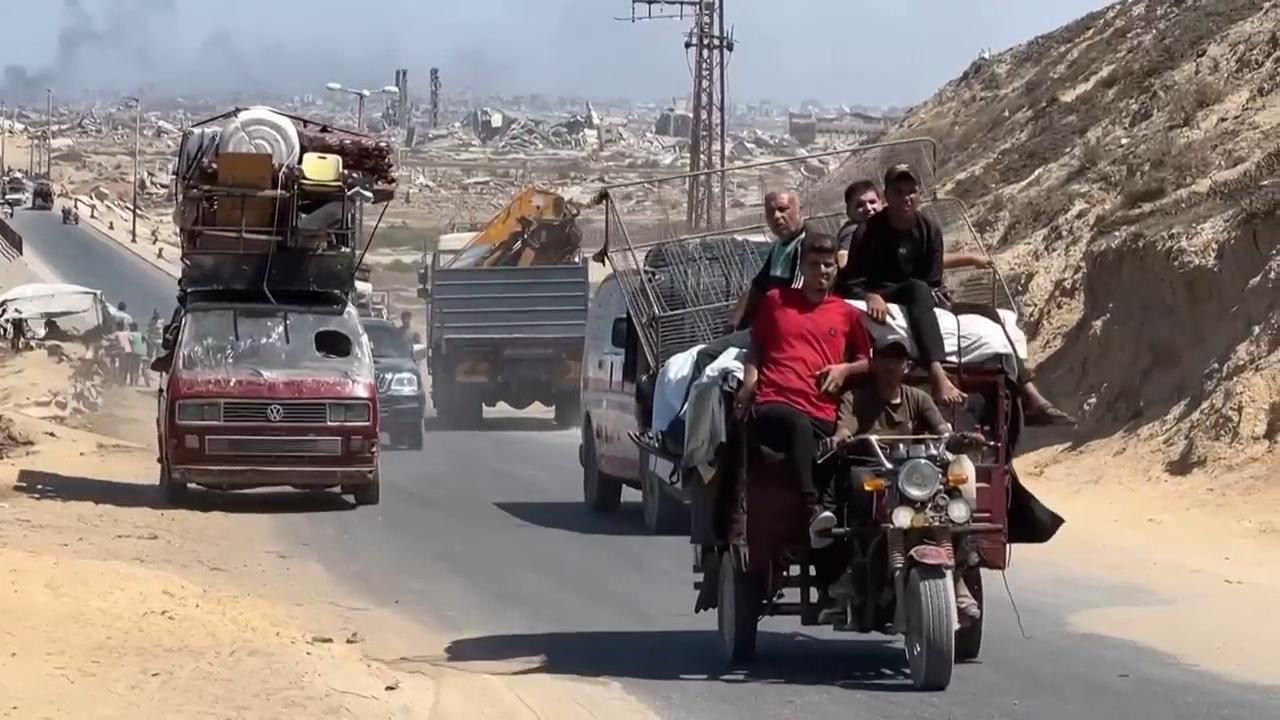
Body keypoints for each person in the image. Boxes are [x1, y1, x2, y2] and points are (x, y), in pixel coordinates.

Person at [734, 232, 872, 548]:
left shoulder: (847, 313)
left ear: (836, 268)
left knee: (846, 461)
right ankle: (812, 508)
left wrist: (844, 369)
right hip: (773, 405)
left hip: (821, 413)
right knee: (795, 423)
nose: (822, 271)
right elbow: (755, 347)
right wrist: (748, 384)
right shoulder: (775, 302)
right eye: (814, 265)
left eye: (828, 265)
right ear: (803, 267)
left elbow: (867, 363)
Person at [831, 337, 982, 621]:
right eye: (885, 358)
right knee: (859, 485)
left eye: (898, 359)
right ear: (873, 363)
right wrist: (841, 438)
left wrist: (961, 439)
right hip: (875, 466)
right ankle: (858, 563)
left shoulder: (918, 398)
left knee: (955, 502)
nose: (891, 365)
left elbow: (942, 430)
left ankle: (959, 575)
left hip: (914, 470)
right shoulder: (856, 397)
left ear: (906, 366)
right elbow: (846, 426)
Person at [728, 191, 837, 331]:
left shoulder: (808, 245)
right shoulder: (779, 246)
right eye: (770, 212)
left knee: (705, 353)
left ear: (800, 212)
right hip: (771, 323)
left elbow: (798, 294)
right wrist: (736, 319)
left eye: (782, 209)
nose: (776, 216)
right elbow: (758, 286)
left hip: (792, 328)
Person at [836, 180, 885, 269]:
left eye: (872, 202)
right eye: (860, 205)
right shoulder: (853, 231)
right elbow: (843, 260)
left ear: (881, 203)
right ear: (848, 211)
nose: (868, 208)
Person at [128, 321, 149, 387]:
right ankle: (137, 382)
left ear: (132, 328)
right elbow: (146, 342)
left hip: (135, 353)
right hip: (143, 353)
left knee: (132, 368)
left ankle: (132, 383)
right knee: (139, 369)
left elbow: (129, 342)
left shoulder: (131, 334)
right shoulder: (141, 334)